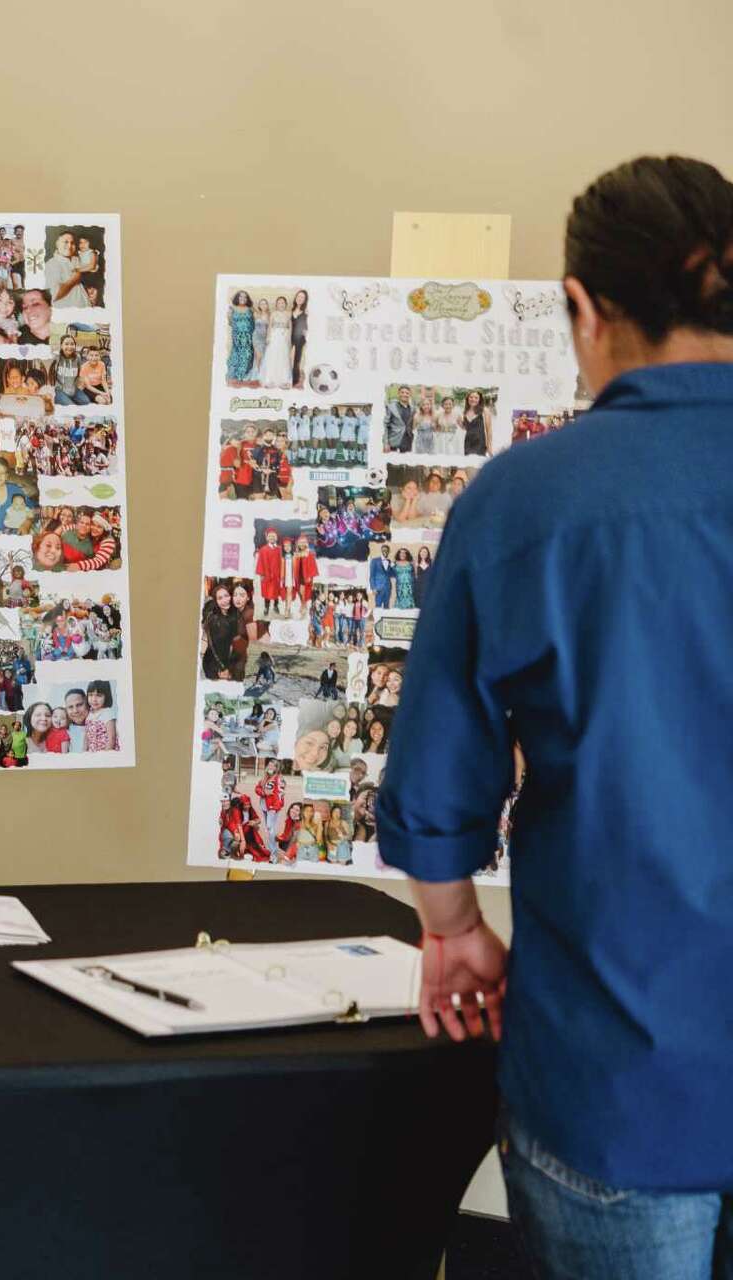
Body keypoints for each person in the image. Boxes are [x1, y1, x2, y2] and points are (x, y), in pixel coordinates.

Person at [376, 155, 733, 1278]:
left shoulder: (529, 499)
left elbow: (439, 779)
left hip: (618, 1073)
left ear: (581, 305)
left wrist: (453, 928)